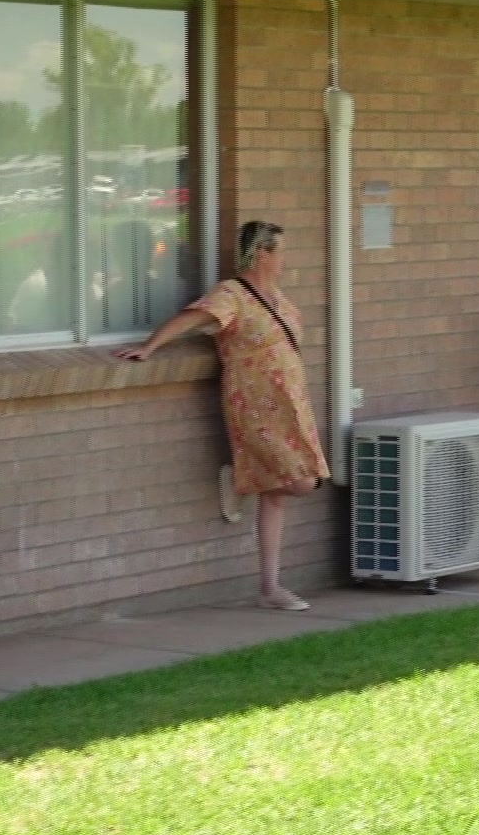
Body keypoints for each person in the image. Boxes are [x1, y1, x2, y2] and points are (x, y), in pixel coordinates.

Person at [116, 220, 329, 611]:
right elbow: (191, 318)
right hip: (255, 408)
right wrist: (150, 347)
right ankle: (244, 471)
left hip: (290, 405)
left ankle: (270, 588)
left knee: (281, 492)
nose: (285, 258)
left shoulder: (276, 296)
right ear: (262, 253)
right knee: (299, 483)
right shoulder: (232, 294)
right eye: (280, 250)